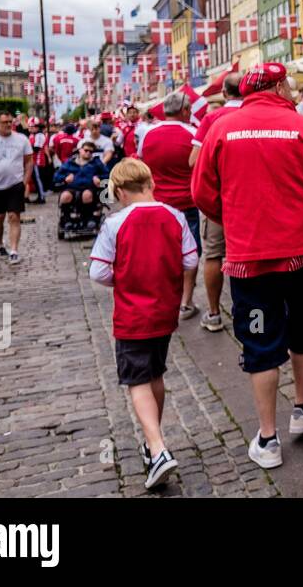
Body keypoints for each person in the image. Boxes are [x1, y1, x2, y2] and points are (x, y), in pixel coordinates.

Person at [191, 63, 303, 469]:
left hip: (247, 260)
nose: (293, 93)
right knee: (301, 328)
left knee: (260, 342)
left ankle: (268, 436)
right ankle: (302, 406)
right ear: (277, 87)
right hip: (299, 256)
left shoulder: (222, 127)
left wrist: (232, 216)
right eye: (289, 86)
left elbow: (201, 192)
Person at [89, 158, 199, 490]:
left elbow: (98, 271)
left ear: (119, 191)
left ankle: (159, 448)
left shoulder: (115, 223)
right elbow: (190, 259)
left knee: (137, 379)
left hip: (132, 313)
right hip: (165, 309)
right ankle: (154, 443)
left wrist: (123, 278)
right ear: (150, 183)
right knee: (155, 373)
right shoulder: (175, 215)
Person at [140, 90, 202, 319]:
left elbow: (142, 164)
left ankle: (164, 298)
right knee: (190, 251)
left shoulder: (148, 133)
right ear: (185, 111)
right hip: (186, 202)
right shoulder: (193, 134)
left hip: (158, 203)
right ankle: (186, 302)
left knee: (161, 252)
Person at [188, 72, 242, 332]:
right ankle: (254, 313)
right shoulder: (261, 113)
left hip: (221, 199)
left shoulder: (212, 118)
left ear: (225, 92)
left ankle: (213, 313)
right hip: (254, 200)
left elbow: (193, 160)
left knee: (214, 254)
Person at [0, 111, 33, 265]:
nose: (9, 125)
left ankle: (14, 251)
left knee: (14, 217)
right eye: (5, 122)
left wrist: (25, 182)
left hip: (15, 185)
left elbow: (29, 161)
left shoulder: (21, 139)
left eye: (10, 121)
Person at [54, 140, 109, 228]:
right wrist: (65, 179)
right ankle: (66, 220)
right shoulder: (70, 162)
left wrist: (98, 178)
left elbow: (107, 174)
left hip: (89, 188)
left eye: (91, 151)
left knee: (86, 195)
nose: (88, 153)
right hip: (72, 187)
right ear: (80, 150)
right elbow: (56, 176)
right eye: (86, 150)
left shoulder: (96, 163)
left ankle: (87, 219)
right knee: (65, 196)